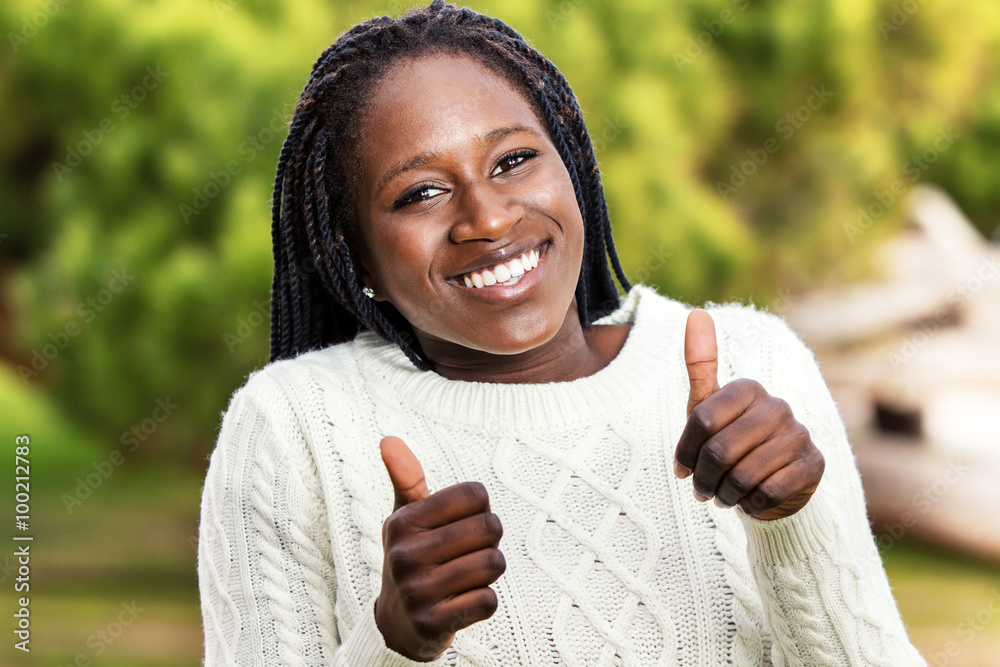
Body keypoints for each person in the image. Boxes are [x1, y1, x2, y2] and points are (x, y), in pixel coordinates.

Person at [197, 2, 927, 664]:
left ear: (572, 165)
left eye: (513, 160)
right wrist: (390, 640)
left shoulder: (752, 365)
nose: (486, 217)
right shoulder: (293, 428)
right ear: (350, 252)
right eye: (420, 193)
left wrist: (793, 522)